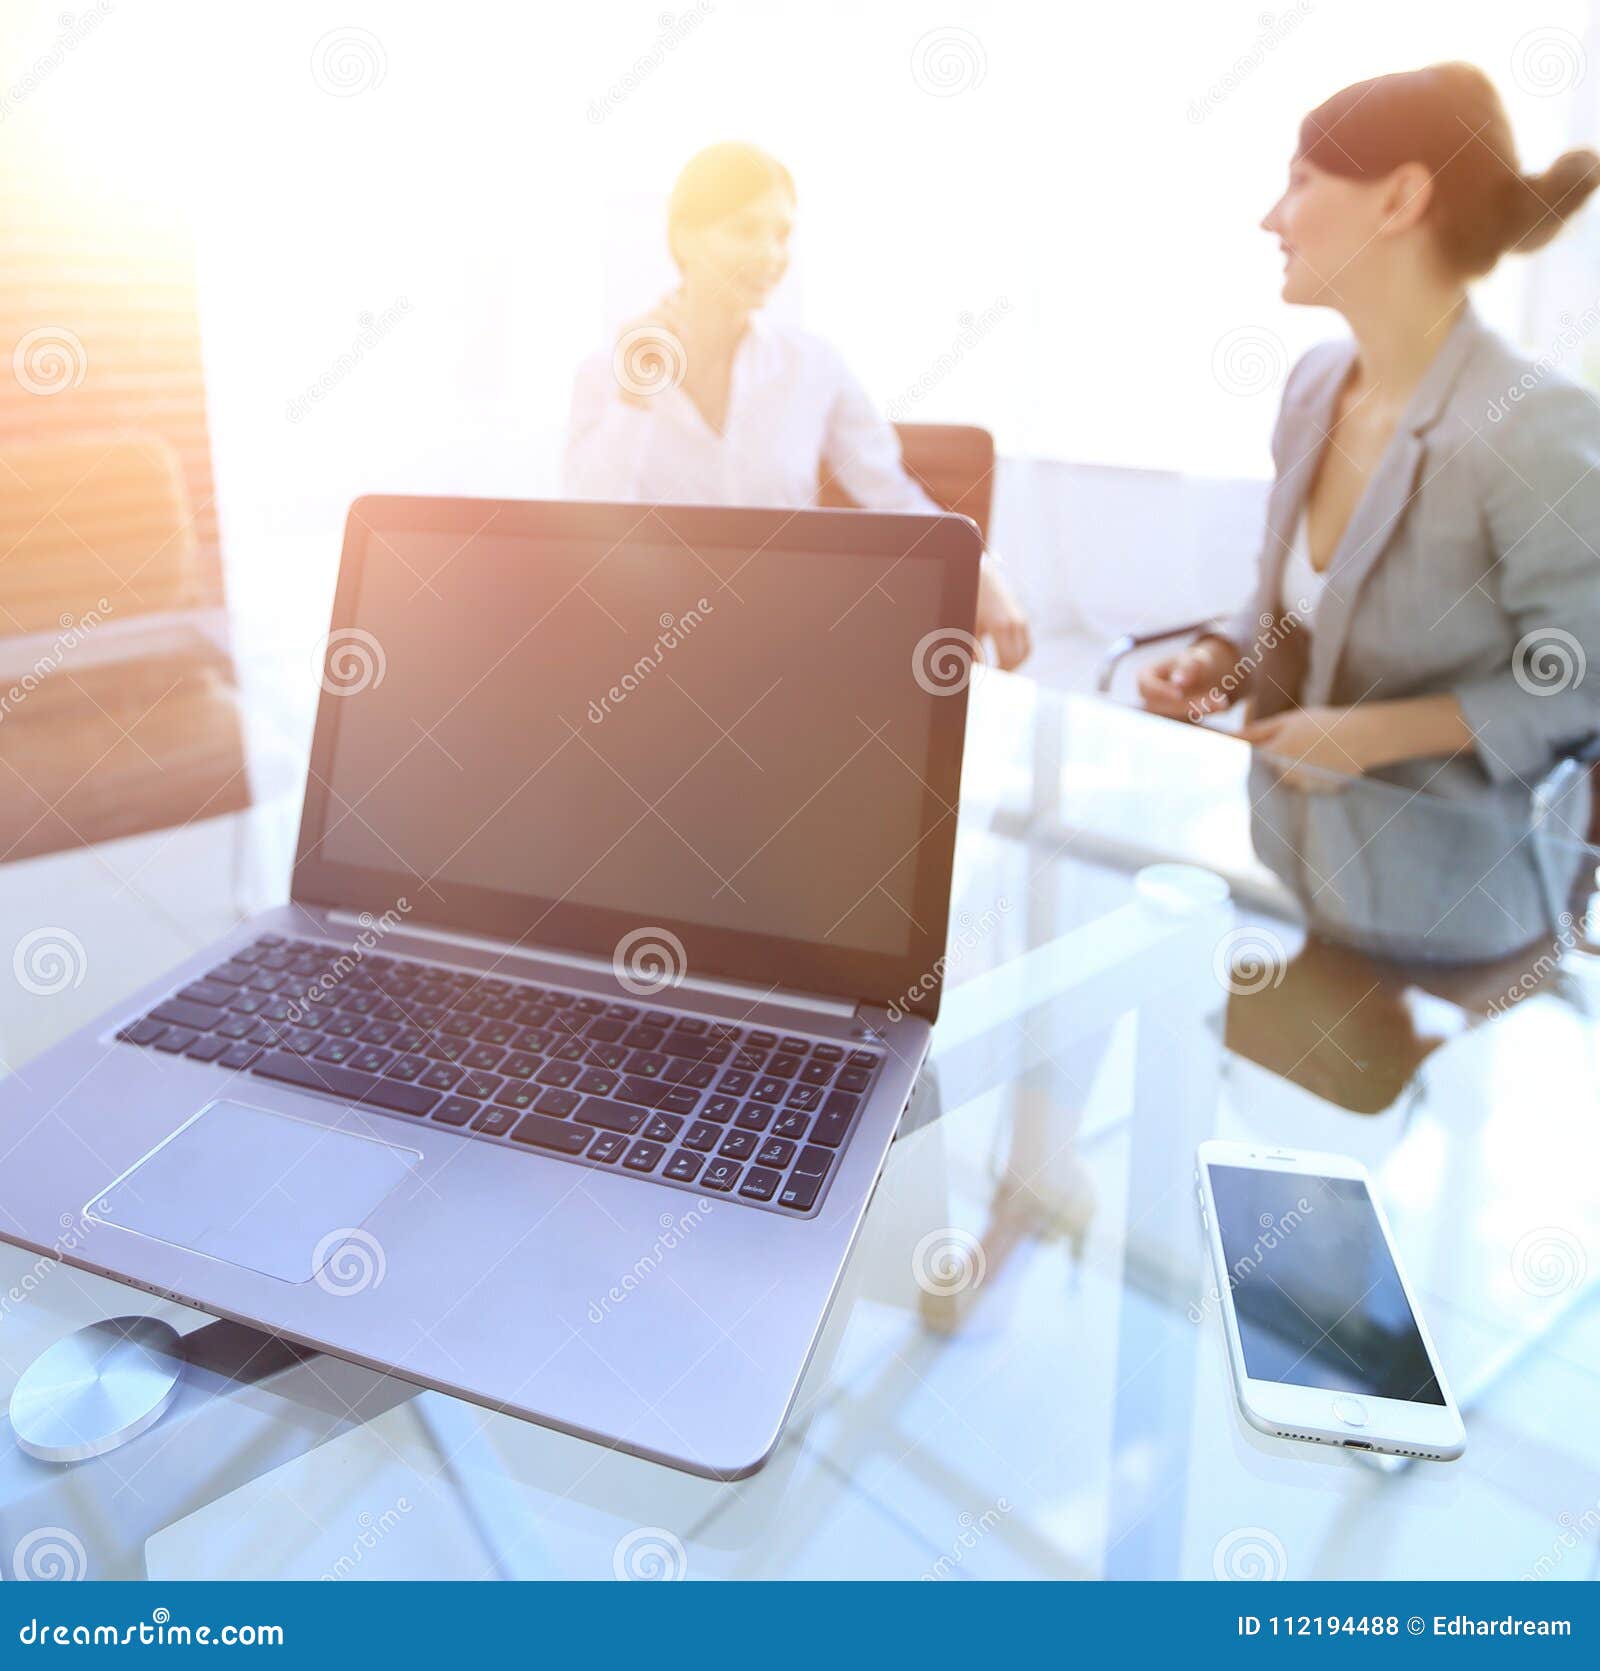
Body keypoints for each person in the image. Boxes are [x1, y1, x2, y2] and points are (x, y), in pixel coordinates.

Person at [1139, 63, 1600, 804]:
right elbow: (1301, 602)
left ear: (1400, 199)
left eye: (1301, 181)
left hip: (1454, 863)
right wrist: (1222, 655)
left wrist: (1374, 735)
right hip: (1287, 845)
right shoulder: (1313, 384)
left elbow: (1584, 684)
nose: (1271, 219)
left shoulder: (1533, 425)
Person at [563, 142, 1032, 669]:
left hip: (787, 639)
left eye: (781, 234)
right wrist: (634, 397)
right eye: (745, 229)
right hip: (654, 643)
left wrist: (980, 570)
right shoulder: (606, 372)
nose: (770, 254)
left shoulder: (812, 365)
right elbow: (585, 529)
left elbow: (890, 494)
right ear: (684, 237)